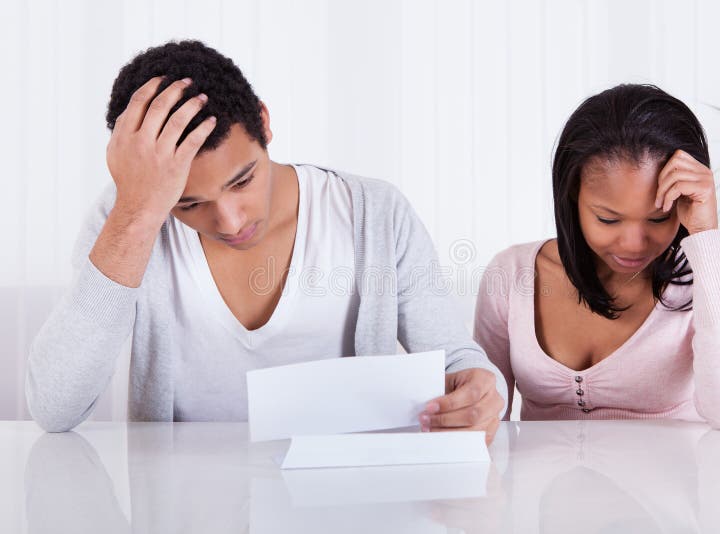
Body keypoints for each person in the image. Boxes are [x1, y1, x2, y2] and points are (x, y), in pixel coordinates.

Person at [26, 40, 505, 442]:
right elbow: (54, 407)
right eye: (189, 204)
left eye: (243, 180)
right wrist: (136, 214)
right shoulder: (128, 219)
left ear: (264, 121)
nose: (231, 222)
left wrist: (484, 390)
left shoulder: (374, 213)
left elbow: (458, 360)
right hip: (180, 513)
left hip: (347, 507)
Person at [474, 84, 720, 430]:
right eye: (608, 219)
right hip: (538, 486)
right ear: (572, 197)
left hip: (674, 485)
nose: (633, 244)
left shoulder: (713, 282)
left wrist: (705, 236)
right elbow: (485, 422)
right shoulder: (511, 274)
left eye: (658, 218)